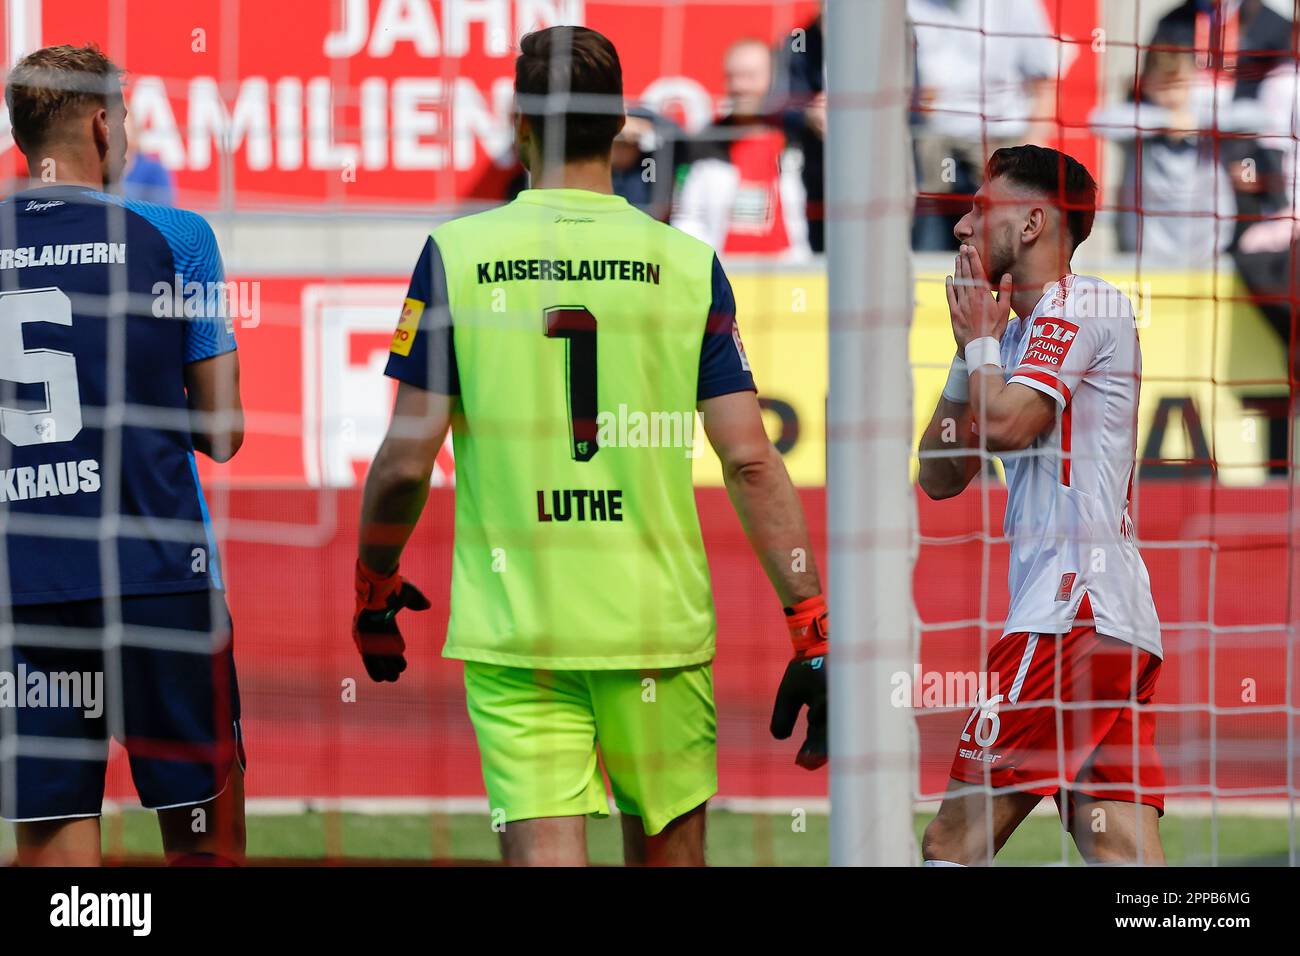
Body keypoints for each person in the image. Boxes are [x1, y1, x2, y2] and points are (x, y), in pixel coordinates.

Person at [353, 25, 827, 867]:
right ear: (618, 129)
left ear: (519, 126)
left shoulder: (457, 256)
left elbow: (402, 461)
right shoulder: (685, 264)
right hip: (656, 626)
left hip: (518, 631)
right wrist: (809, 623)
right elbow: (750, 459)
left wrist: (375, 581)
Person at [0, 44, 246, 865]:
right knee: (205, 838)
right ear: (103, 125)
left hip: (25, 580)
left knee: (53, 853)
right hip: (155, 573)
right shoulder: (175, 237)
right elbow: (222, 430)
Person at [917, 146, 1165, 865]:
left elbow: (1009, 424)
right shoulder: (1010, 335)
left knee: (951, 841)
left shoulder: (1083, 304)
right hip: (1105, 623)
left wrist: (981, 346)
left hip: (1070, 614)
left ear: (1030, 223)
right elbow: (940, 473)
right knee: (1119, 848)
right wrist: (972, 352)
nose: (963, 228)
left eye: (979, 208)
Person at [908, 0, 1060, 251]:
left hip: (998, 147)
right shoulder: (908, 7)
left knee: (999, 256)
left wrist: (1021, 163)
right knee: (929, 253)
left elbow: (1044, 86)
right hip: (930, 149)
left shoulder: (1016, 6)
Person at [671, 38, 810, 260]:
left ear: (773, 78)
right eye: (732, 77)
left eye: (750, 76)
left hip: (791, 277)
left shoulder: (796, 139)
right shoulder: (703, 143)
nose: (740, 86)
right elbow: (687, 220)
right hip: (724, 279)